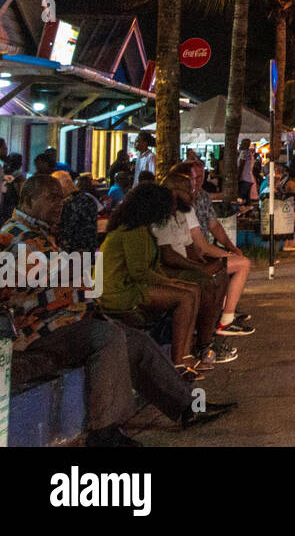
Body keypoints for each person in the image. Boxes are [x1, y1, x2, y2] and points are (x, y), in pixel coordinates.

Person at [2, 175, 234, 445]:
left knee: (135, 340)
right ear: (29, 200)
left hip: (59, 323)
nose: (60, 204)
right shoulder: (18, 237)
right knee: (107, 337)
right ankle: (104, 431)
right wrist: (85, 293)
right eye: (51, 198)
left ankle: (187, 407)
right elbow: (59, 284)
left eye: (61, 198)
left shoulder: (40, 233)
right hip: (37, 332)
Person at [98, 183, 204, 374]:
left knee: (193, 290)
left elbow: (151, 267)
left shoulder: (144, 229)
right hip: (120, 291)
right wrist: (171, 283)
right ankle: (178, 361)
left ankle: (186, 354)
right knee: (185, 297)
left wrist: (172, 283)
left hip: (133, 285)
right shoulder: (133, 231)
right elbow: (139, 272)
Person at [152, 170, 235, 366]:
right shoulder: (162, 217)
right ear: (174, 192)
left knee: (219, 274)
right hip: (169, 268)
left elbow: (190, 247)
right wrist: (198, 270)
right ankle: (192, 349)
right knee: (202, 285)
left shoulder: (182, 213)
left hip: (183, 265)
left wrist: (203, 264)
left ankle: (206, 339)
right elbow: (168, 255)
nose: (193, 194)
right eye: (187, 191)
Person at [178, 162, 254, 337]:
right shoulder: (184, 205)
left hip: (200, 251)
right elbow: (200, 245)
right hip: (194, 255)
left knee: (234, 262)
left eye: (200, 177)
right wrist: (226, 253)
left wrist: (230, 247)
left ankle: (224, 312)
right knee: (241, 264)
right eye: (194, 178)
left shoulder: (202, 197)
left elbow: (214, 226)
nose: (197, 182)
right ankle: (225, 320)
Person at [57, 171, 100, 256]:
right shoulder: (89, 199)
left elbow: (66, 231)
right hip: (89, 250)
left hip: (72, 254)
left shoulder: (67, 203)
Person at [236, 138, 255, 202]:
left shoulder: (243, 153)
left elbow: (241, 166)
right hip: (249, 178)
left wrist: (237, 177)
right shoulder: (250, 154)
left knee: (240, 199)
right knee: (247, 200)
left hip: (244, 179)